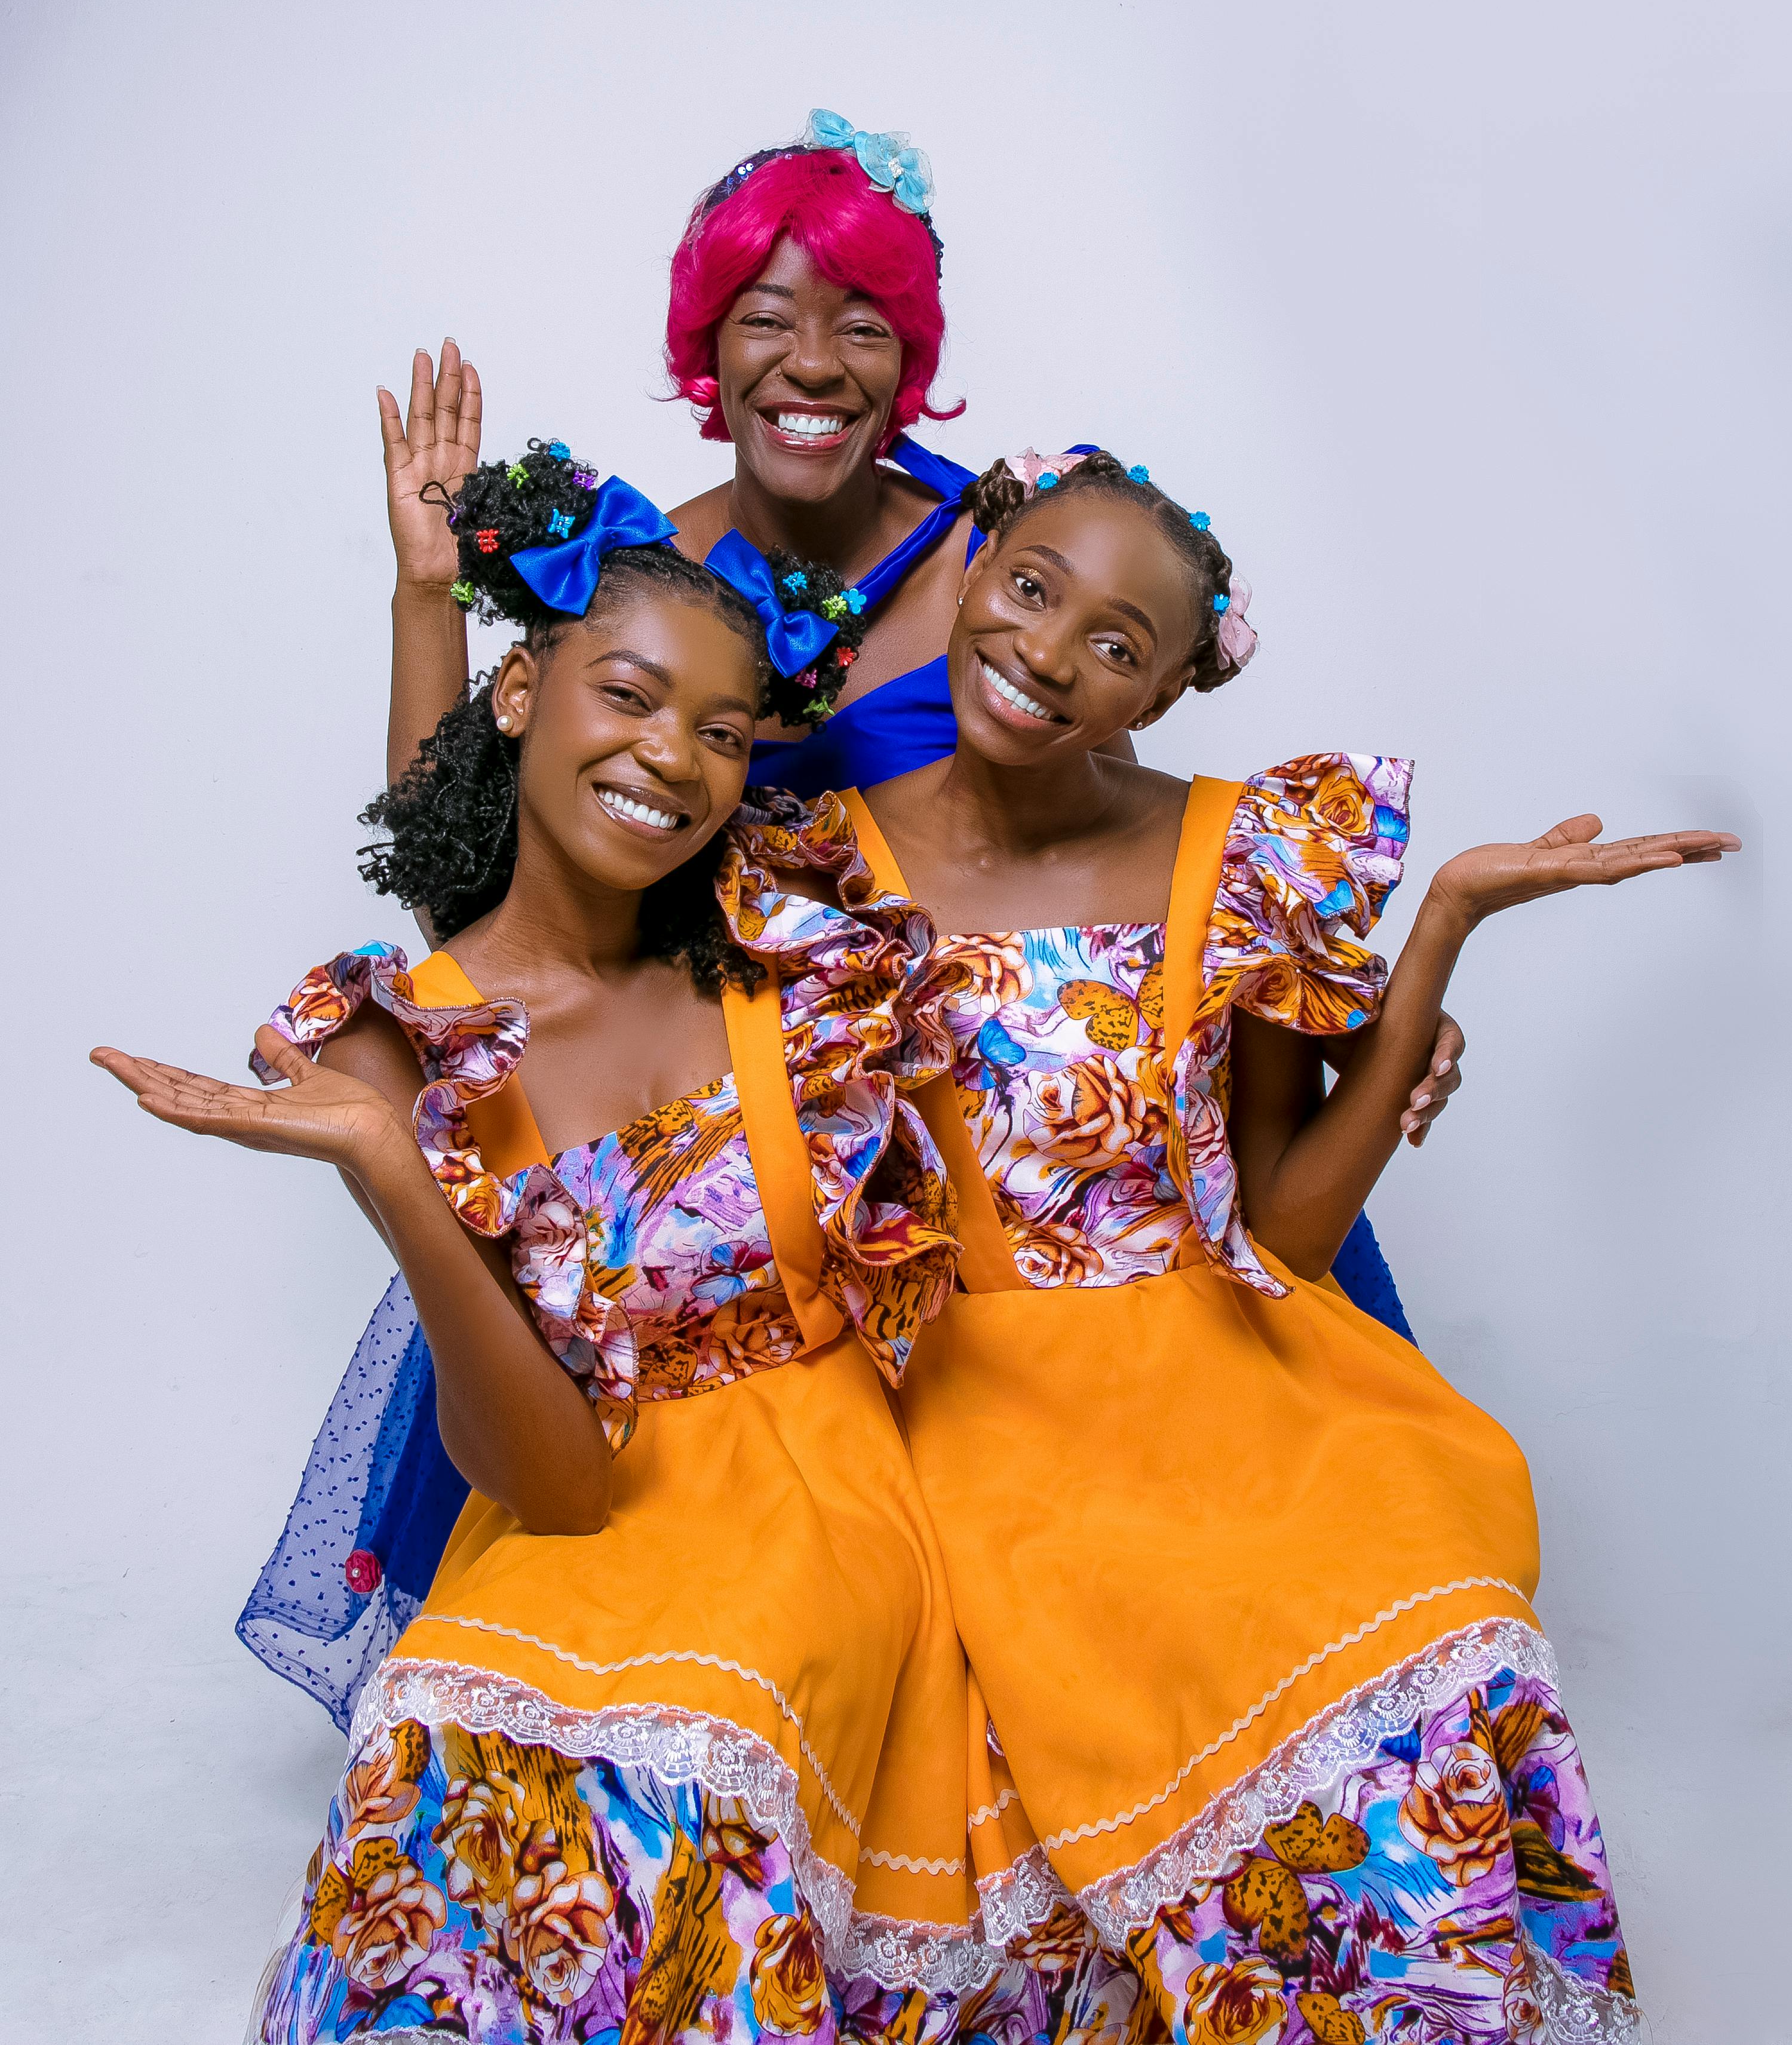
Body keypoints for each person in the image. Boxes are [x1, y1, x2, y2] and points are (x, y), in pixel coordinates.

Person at [94, 444, 999, 2041]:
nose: (677, 756)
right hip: (578, 1519)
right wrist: (387, 1165)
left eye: (723, 732)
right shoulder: (405, 1049)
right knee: (439, 1752)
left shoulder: (780, 960)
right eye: (634, 697)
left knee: (682, 1770)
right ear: (522, 693)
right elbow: (560, 1484)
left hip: (827, 1500)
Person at [837, 446, 1738, 2042]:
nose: (1050, 650)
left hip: (1216, 1376)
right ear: (970, 573)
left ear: (1175, 691)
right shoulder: (813, 871)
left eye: (1120, 642)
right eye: (1032, 586)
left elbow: (1290, 1231)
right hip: (959, 1399)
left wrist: (1440, 926)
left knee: (1407, 1571)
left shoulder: (1242, 853)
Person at [378, 112, 1456, 1341]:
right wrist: (428, 597)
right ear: (711, 346)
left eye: (864, 326)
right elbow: (467, 902)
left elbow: (1126, 885)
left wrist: (1347, 1018)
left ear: (910, 361)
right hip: (757, 1163)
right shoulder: (645, 592)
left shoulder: (1014, 580)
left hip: (1010, 1168)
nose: (815, 362)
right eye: (768, 318)